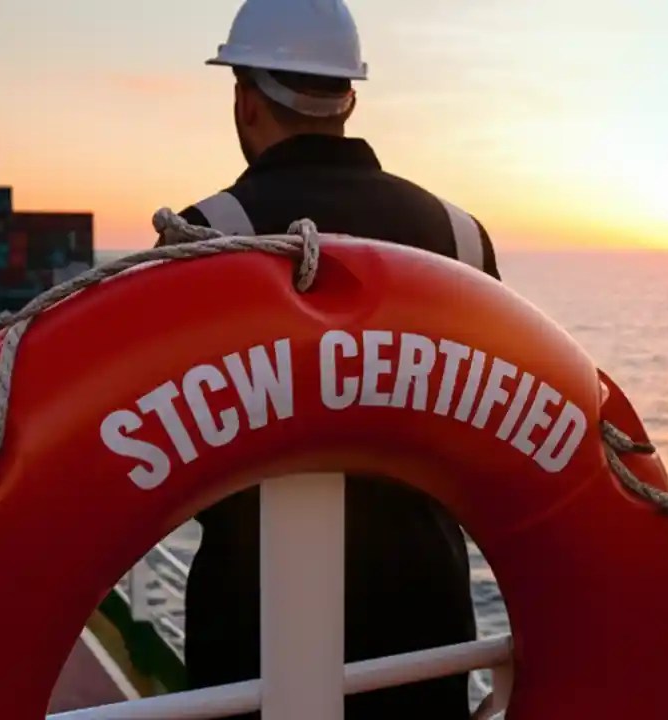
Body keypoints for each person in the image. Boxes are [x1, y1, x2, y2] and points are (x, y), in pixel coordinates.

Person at [160, 1, 499, 718]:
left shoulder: (204, 238)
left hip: (250, 640)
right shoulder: (463, 238)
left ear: (245, 101)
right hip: (426, 633)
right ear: (348, 98)